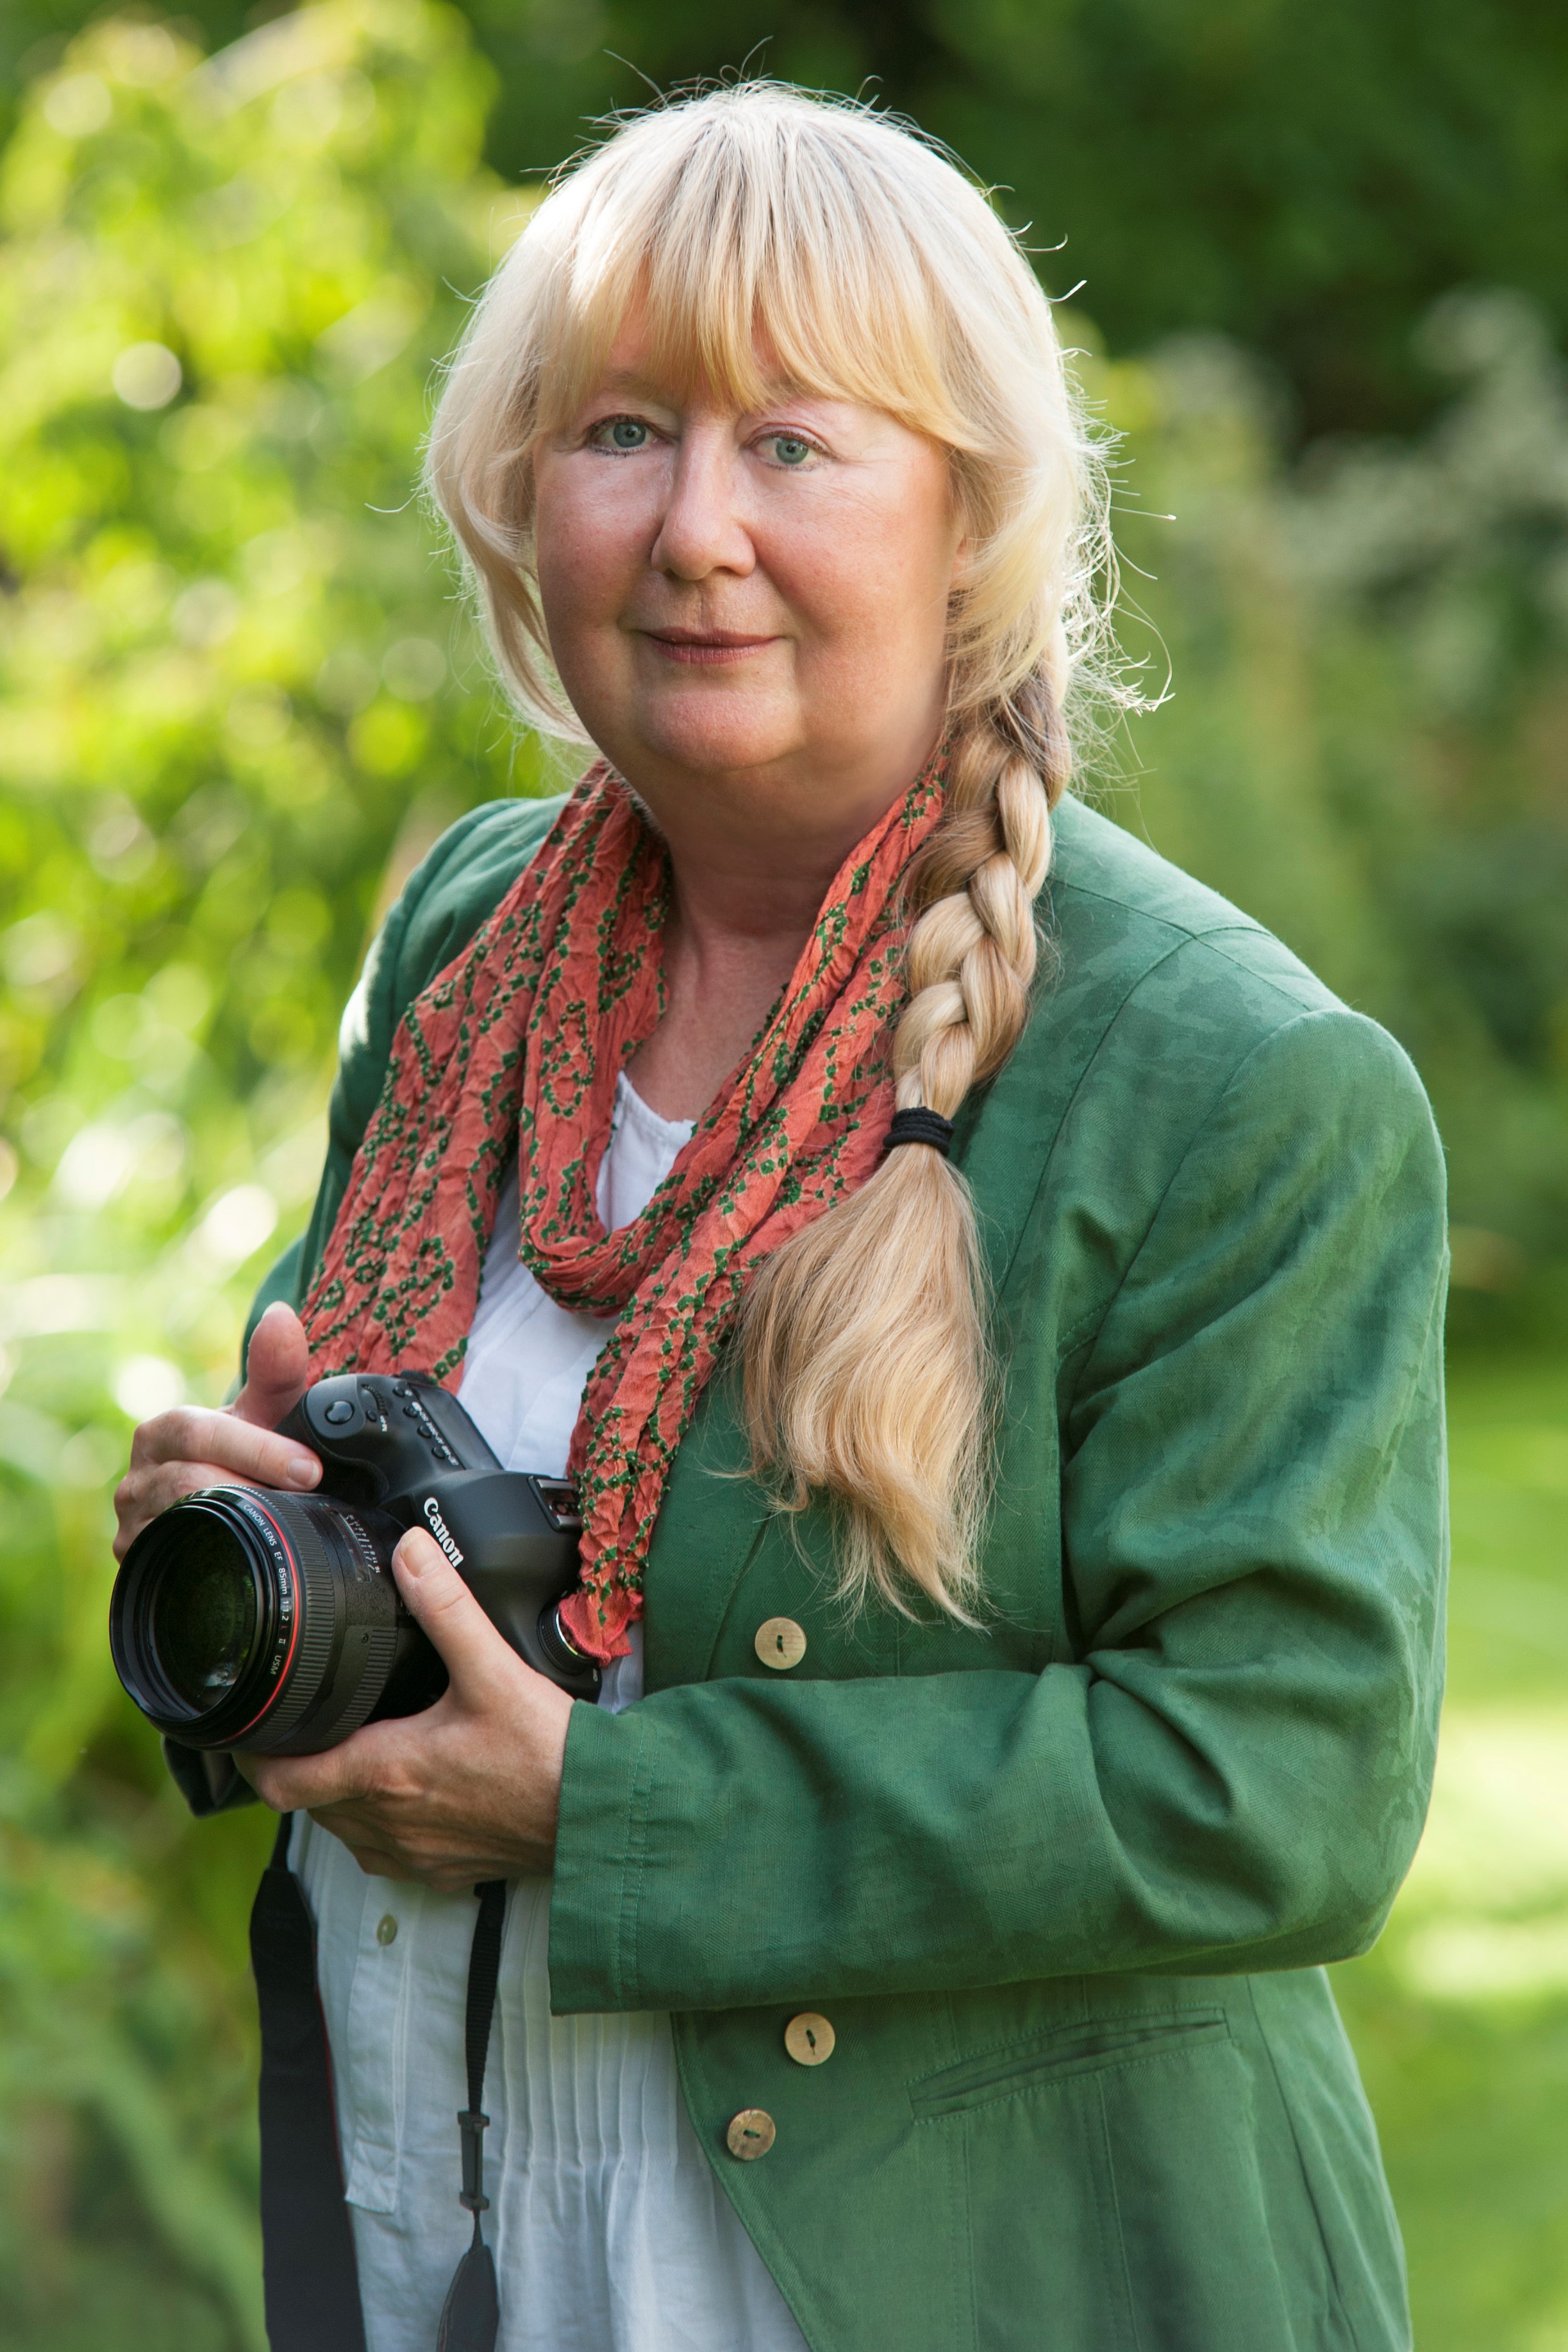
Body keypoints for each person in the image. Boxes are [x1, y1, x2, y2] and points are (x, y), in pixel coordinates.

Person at [113, 83, 1446, 2352]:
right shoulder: (468, 930)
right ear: (522, 492)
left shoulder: (1229, 1082)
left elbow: (1281, 1779)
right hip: (434, 2209)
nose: (693, 530)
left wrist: (616, 1809)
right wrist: (243, 1565)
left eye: (798, 444)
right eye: (623, 432)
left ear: (968, 520)